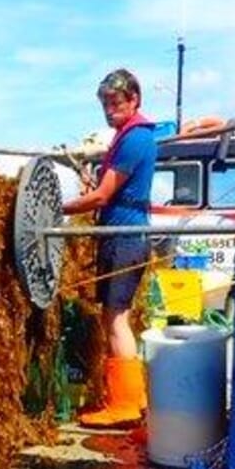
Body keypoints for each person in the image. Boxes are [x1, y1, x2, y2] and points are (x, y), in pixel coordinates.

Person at [61, 68, 157, 428]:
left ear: (134, 100)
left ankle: (125, 406)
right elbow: (105, 190)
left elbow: (102, 196)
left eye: (116, 103)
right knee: (115, 317)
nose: (109, 110)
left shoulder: (135, 139)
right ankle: (135, 398)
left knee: (116, 319)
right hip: (122, 235)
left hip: (126, 237)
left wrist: (59, 207)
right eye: (105, 104)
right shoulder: (129, 137)